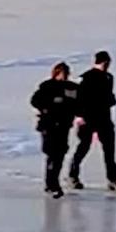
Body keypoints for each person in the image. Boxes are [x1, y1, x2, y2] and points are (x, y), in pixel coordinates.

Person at [68, 50, 116, 191]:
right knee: (83, 147)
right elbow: (78, 98)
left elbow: (108, 96)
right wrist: (79, 116)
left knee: (109, 150)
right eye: (106, 63)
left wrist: (111, 100)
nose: (107, 65)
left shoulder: (108, 77)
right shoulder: (87, 77)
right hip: (88, 118)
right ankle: (73, 175)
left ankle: (113, 179)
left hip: (104, 118)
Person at [29, 62, 78, 199]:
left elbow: (78, 103)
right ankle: (52, 184)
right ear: (56, 73)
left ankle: (52, 182)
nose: (65, 76)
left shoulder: (72, 87)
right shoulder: (47, 86)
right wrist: (47, 108)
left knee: (60, 154)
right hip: (49, 125)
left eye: (67, 73)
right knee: (52, 154)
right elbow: (35, 101)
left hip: (64, 125)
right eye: (63, 73)